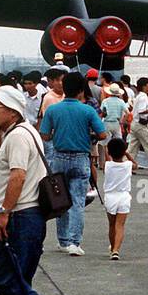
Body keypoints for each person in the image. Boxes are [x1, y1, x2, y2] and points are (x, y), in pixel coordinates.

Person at [0, 86, 72, 295]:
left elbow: (18, 176)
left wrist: (4, 212)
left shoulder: (18, 137)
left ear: (12, 110)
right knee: (20, 279)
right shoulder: (25, 131)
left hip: (21, 216)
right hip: (28, 216)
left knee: (7, 280)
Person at [39, 72, 107, 256]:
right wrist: (88, 134)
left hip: (59, 158)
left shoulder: (53, 110)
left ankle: (63, 240)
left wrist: (57, 135)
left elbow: (44, 134)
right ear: (80, 90)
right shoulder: (88, 110)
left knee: (60, 201)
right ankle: (75, 242)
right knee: (78, 201)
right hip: (80, 158)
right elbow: (103, 134)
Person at [102, 137, 134, 260]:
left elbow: (107, 157)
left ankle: (112, 247)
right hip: (124, 197)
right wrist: (127, 153)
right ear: (123, 151)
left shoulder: (108, 165)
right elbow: (135, 164)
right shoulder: (128, 165)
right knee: (120, 225)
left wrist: (106, 149)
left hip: (110, 197)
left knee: (111, 225)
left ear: (110, 152)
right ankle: (116, 250)